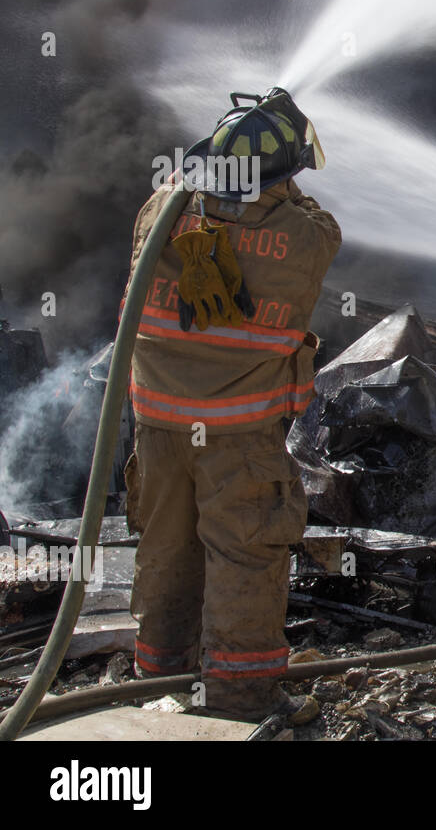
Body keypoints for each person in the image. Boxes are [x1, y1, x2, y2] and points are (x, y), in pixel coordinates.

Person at [126, 88, 340, 721]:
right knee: (245, 559)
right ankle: (241, 705)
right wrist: (277, 179)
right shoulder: (303, 236)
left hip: (158, 425)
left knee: (165, 549)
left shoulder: (161, 208)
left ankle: (151, 691)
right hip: (238, 436)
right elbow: (313, 218)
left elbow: (180, 189)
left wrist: (214, 175)